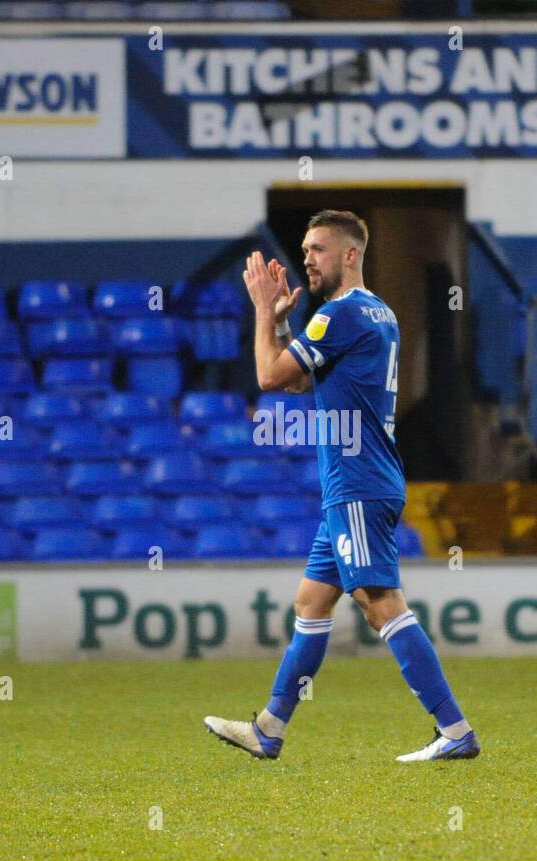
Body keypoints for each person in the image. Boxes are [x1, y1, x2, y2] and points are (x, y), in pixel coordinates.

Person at [203, 209, 480, 762]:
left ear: (351, 254)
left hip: (357, 483)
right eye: (304, 248)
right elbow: (305, 379)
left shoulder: (340, 315)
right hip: (354, 484)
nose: (306, 257)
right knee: (311, 601)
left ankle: (454, 730)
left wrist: (262, 313)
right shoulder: (375, 312)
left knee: (380, 604)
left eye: (318, 249)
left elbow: (269, 378)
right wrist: (284, 325)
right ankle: (269, 728)